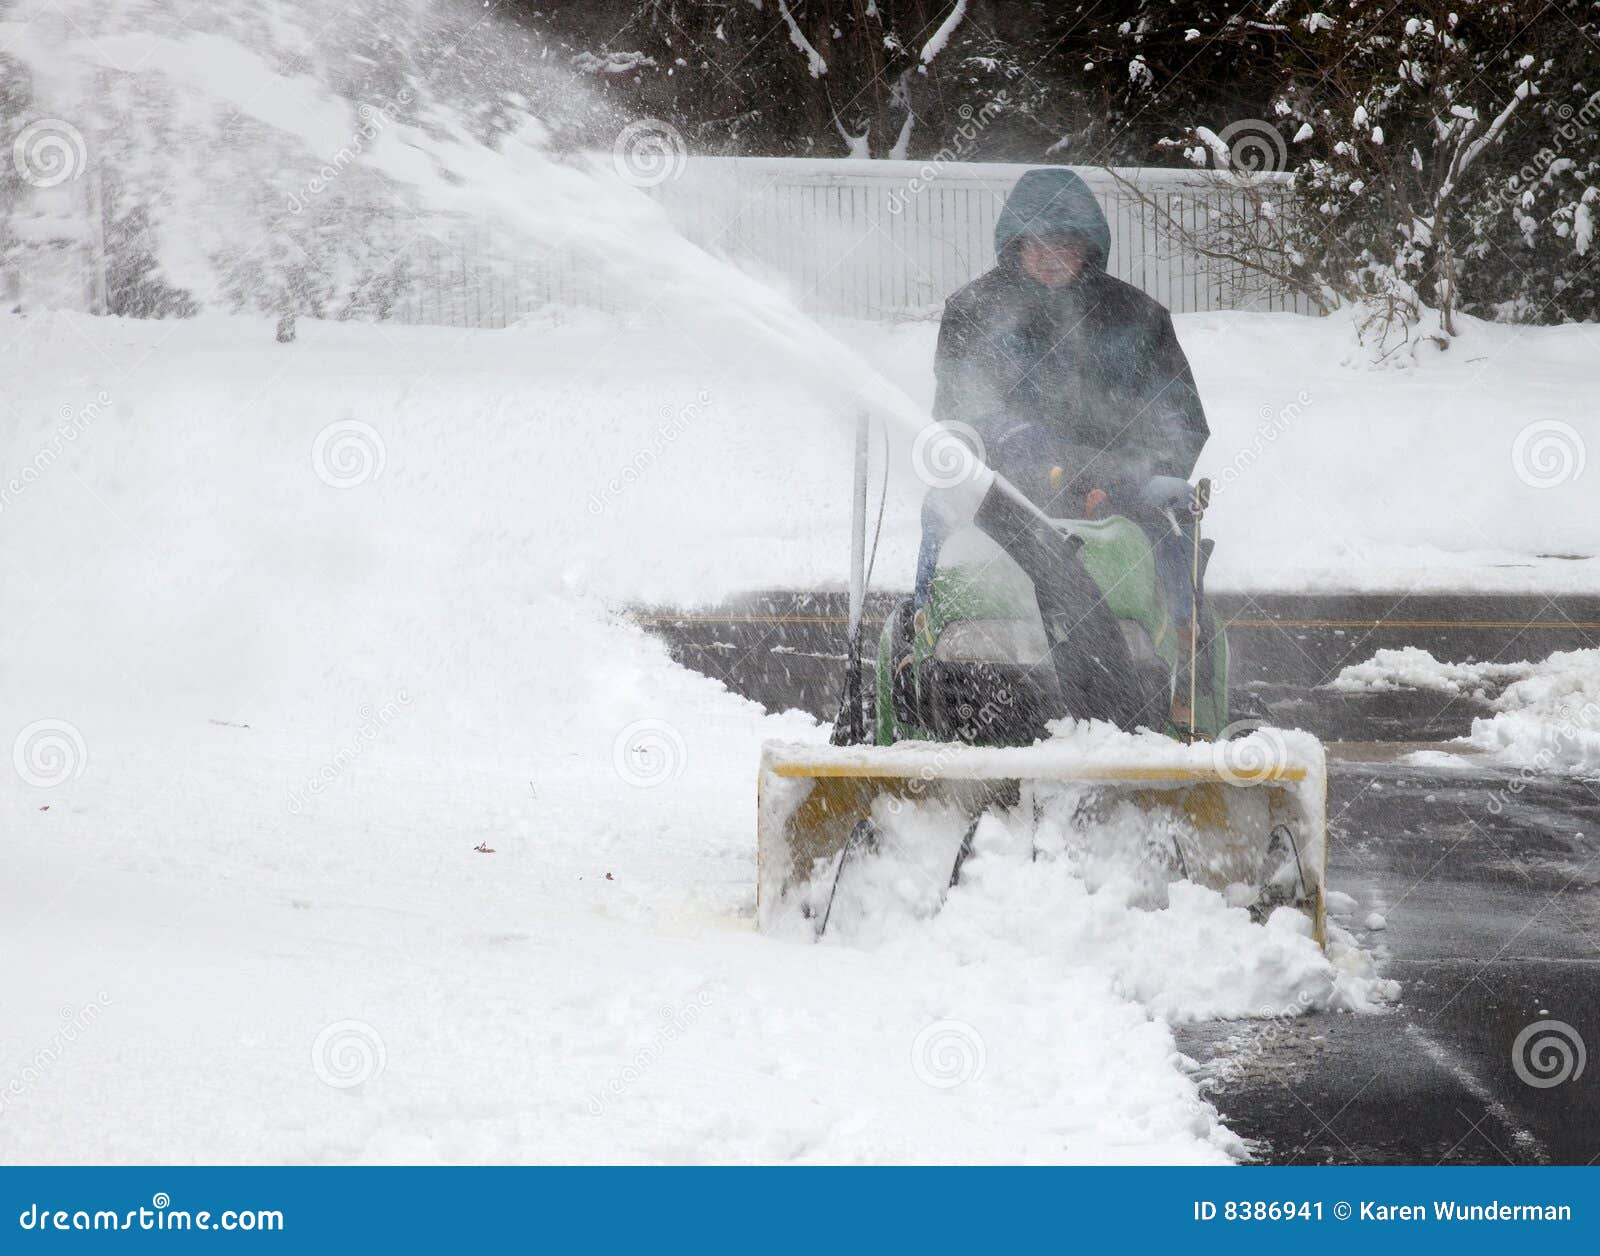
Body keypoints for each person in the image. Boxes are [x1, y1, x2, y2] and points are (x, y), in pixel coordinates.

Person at [916, 166, 1212, 721]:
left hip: (1117, 480)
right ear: (1015, 244)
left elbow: (1180, 417)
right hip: (1004, 480)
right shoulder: (974, 310)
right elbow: (957, 407)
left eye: (1067, 242)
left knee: (1176, 505)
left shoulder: (1137, 316)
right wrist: (1011, 443)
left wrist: (1127, 469)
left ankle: (1187, 674)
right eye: (1038, 243)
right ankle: (923, 639)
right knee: (938, 507)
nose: (1052, 255)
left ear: (1090, 246)